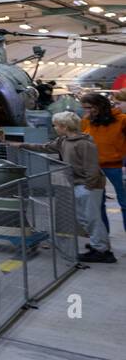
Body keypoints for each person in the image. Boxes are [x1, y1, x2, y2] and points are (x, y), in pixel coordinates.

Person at [22, 111, 114, 262]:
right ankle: (98, 244)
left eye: (56, 125)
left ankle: (102, 251)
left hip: (88, 186)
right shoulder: (63, 140)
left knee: (91, 219)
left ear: (64, 126)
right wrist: (22, 145)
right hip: (78, 184)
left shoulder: (84, 143)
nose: (54, 128)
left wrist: (87, 187)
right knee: (84, 218)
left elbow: (91, 168)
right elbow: (45, 147)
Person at [79, 92, 126, 238]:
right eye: (84, 108)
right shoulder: (87, 121)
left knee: (125, 204)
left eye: (89, 107)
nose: (87, 111)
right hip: (94, 168)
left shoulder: (122, 120)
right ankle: (103, 241)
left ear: (100, 105)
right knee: (98, 206)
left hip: (117, 167)